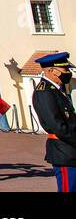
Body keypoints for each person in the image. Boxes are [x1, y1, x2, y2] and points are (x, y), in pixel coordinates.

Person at [31, 51, 76, 192]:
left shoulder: (59, 89)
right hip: (64, 150)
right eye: (65, 69)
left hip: (70, 149)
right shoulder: (44, 92)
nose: (68, 72)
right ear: (51, 71)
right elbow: (58, 126)